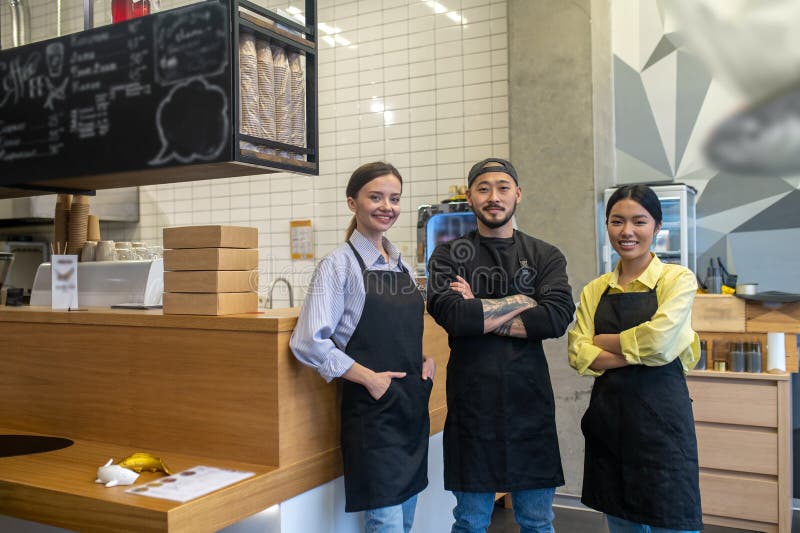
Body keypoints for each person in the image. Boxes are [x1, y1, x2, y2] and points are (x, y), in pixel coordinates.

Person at [427, 158, 575, 533]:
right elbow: (454, 317)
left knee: (538, 522)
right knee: (470, 521)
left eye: (503, 187)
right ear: (470, 197)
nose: (494, 196)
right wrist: (525, 300)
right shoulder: (447, 256)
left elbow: (556, 317)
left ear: (517, 194)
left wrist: (478, 310)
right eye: (483, 188)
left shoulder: (545, 255)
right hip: (472, 409)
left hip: (530, 408)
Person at [289, 161, 436, 533]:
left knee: (405, 523)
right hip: (373, 416)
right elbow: (307, 341)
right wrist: (369, 378)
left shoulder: (401, 265)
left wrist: (422, 360)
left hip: (411, 410)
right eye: (376, 197)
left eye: (394, 198)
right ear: (352, 203)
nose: (387, 206)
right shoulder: (337, 266)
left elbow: (397, 331)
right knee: (386, 524)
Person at [567, 184, 703, 533]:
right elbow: (579, 353)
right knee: (621, 523)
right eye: (617, 221)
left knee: (674, 520)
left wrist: (604, 343)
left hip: (663, 429)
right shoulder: (595, 289)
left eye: (639, 221)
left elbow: (660, 341)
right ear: (607, 226)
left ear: (657, 227)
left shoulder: (678, 279)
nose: (627, 231)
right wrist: (643, 354)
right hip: (611, 427)